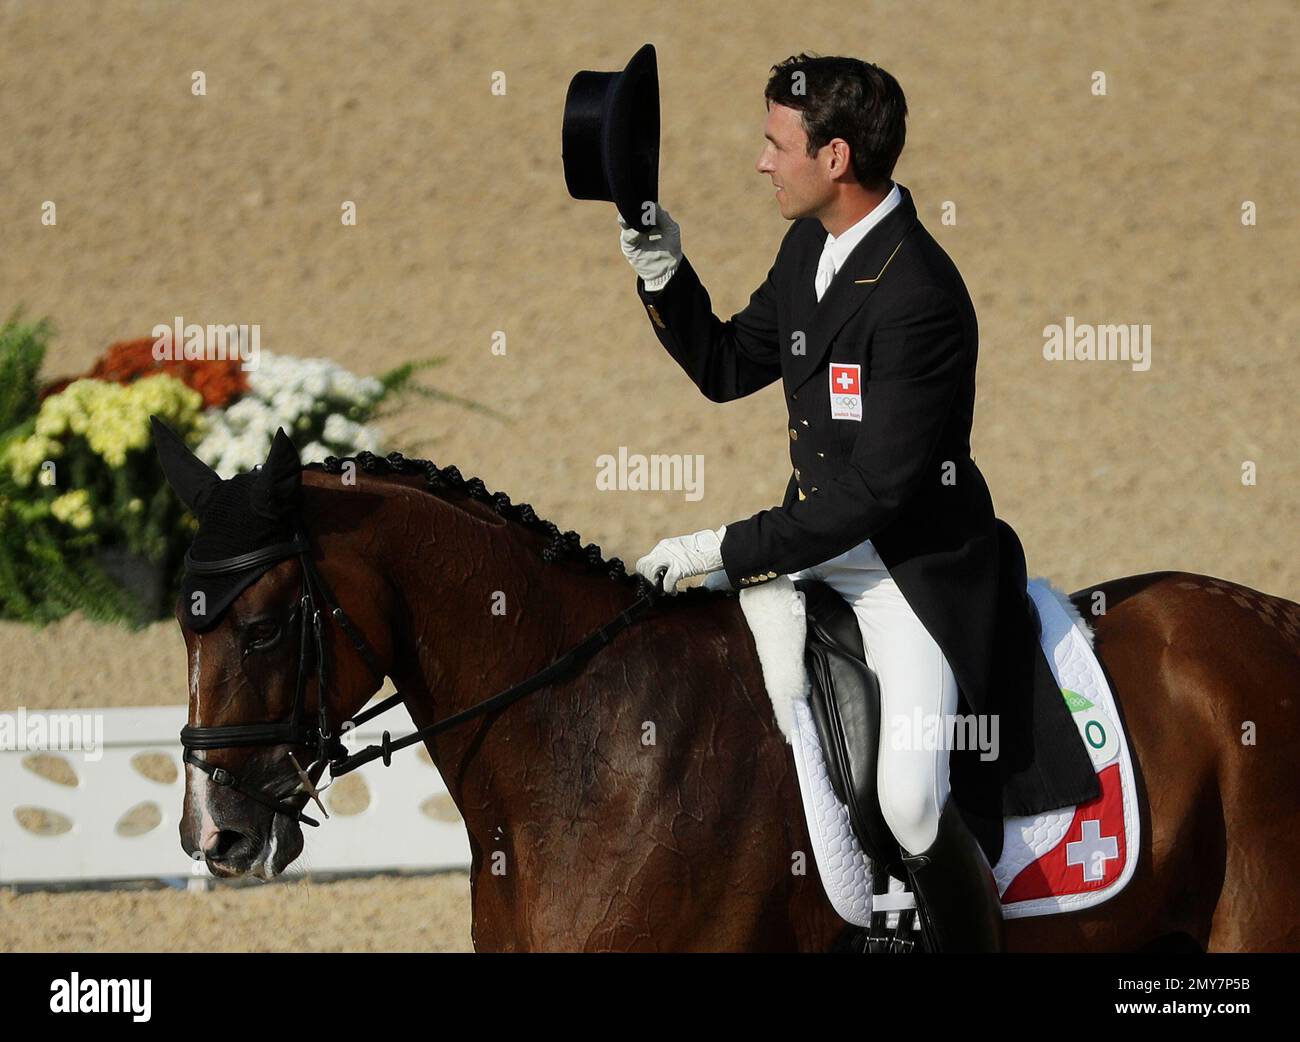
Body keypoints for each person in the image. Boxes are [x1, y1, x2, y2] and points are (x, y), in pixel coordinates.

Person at [624, 54, 1035, 952]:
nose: (763, 163)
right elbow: (730, 365)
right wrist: (665, 274)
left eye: (777, 144)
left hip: (907, 571)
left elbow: (880, 491)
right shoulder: (811, 246)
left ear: (836, 157)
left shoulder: (919, 296)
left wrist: (721, 547)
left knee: (912, 802)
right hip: (817, 542)